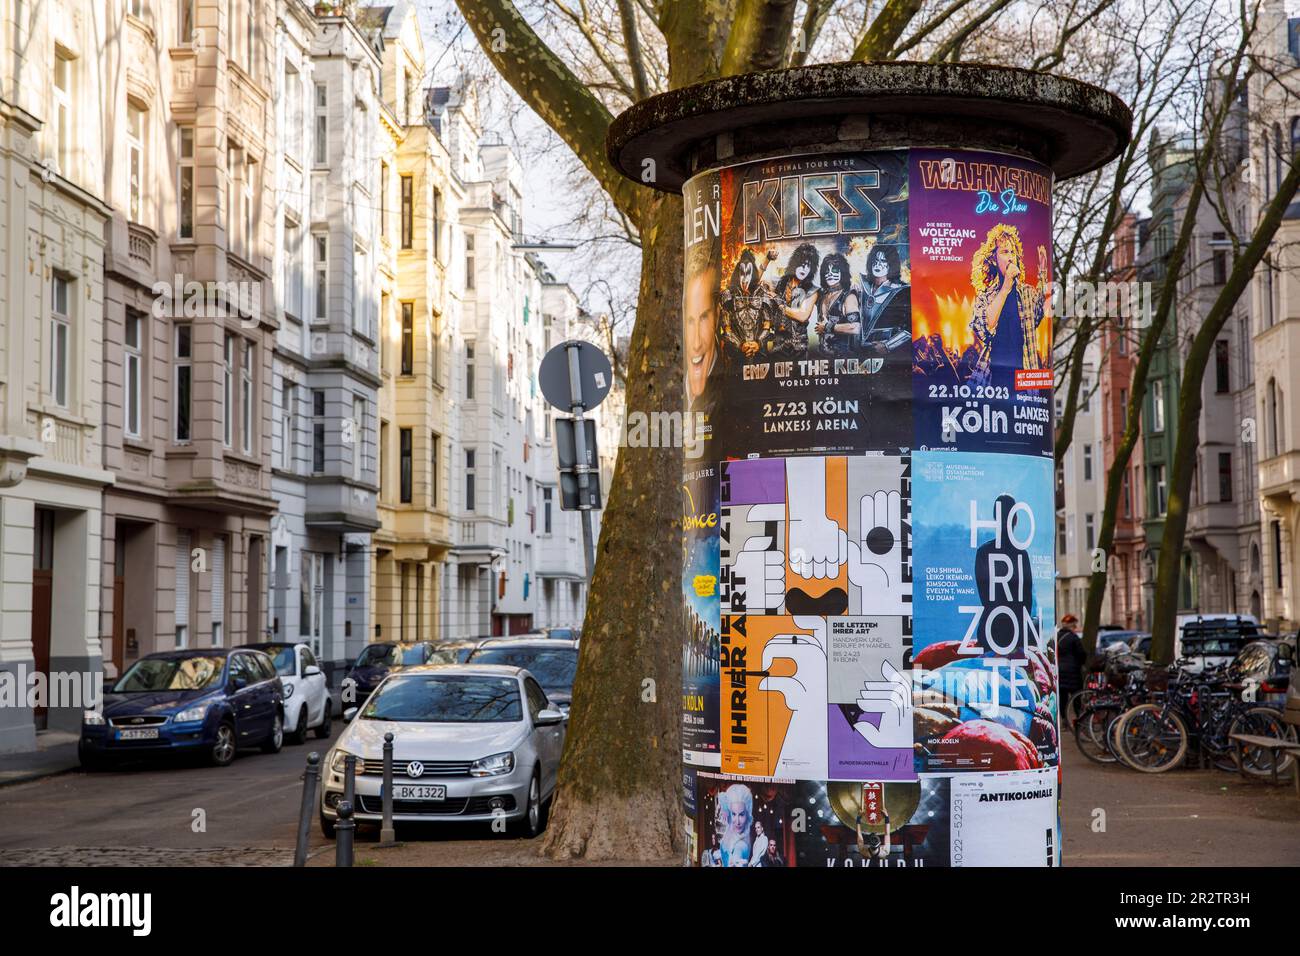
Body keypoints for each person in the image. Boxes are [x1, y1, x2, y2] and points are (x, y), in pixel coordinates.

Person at [967, 224, 1048, 390]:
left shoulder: (1027, 293)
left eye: (1013, 252)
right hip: (992, 382)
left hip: (1024, 382)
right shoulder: (986, 296)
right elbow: (985, 327)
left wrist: (1043, 273)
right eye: (1005, 252)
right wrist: (1005, 288)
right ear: (993, 260)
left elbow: (1040, 311)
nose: (1011, 257)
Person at [1056, 613, 1087, 714]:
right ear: (1072, 626)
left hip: (1059, 671)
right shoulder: (1074, 638)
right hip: (1073, 672)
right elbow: (1081, 654)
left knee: (1062, 697)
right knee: (1076, 696)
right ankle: (1078, 718)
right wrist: (1081, 663)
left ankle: (1064, 719)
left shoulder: (1056, 637)